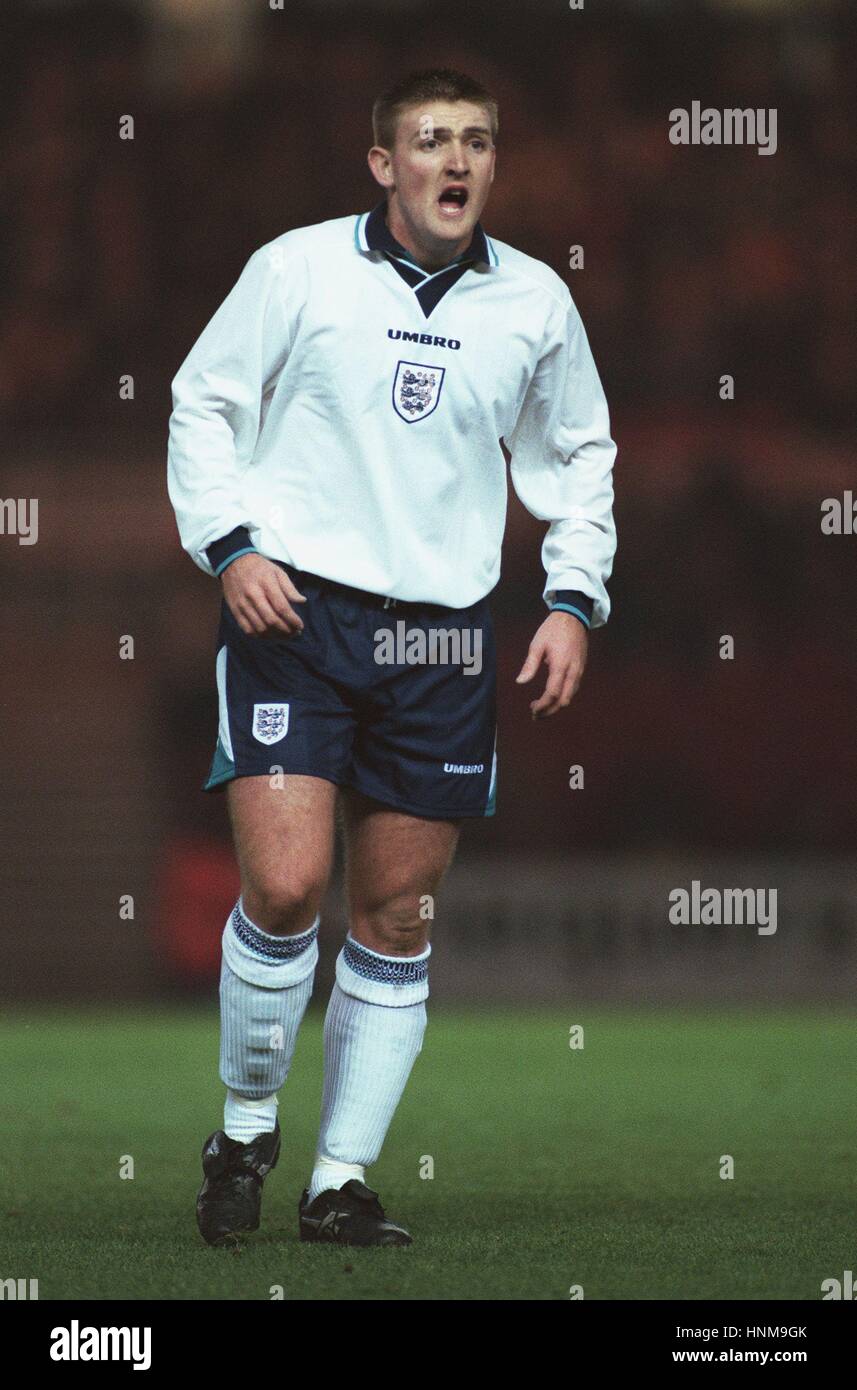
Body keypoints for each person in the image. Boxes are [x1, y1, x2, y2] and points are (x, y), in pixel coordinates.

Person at [166, 68, 617, 1248]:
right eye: (430, 140)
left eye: (475, 140)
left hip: (441, 639)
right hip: (295, 617)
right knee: (281, 886)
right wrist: (228, 547)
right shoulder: (296, 269)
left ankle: (338, 1180)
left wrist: (571, 599)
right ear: (383, 164)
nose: (454, 160)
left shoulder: (533, 301)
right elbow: (202, 401)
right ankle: (246, 1127)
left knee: (398, 909)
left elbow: (577, 455)